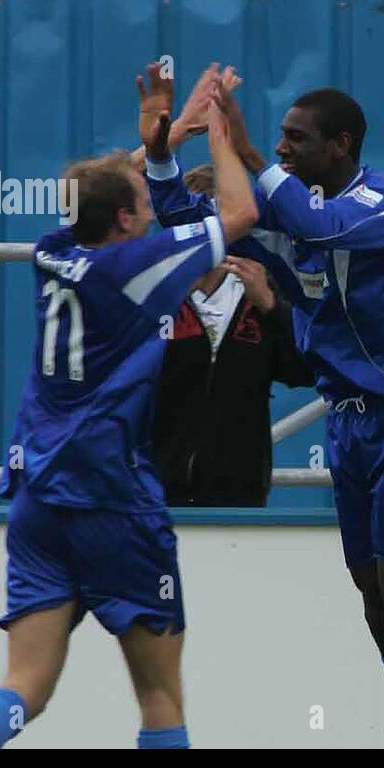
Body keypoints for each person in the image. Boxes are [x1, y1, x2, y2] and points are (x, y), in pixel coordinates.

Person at [145, 68, 384, 748]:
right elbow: (186, 222)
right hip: (349, 425)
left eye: (296, 139)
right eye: (277, 137)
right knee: (376, 611)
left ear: (342, 144)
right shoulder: (281, 212)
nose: (282, 148)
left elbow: (319, 224)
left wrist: (240, 148)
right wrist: (162, 151)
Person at [0, 64, 257, 749]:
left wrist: (155, 134)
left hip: (39, 495)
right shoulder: (135, 268)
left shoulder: (54, 251)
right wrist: (218, 132)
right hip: (113, 498)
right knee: (159, 695)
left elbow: (91, 194)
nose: (152, 210)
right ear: (124, 220)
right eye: (143, 206)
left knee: (24, 684)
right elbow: (240, 215)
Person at [151, 158, 315, 507]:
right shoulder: (155, 294)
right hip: (155, 493)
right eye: (186, 226)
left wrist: (271, 307)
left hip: (239, 494)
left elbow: (303, 371)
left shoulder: (265, 291)